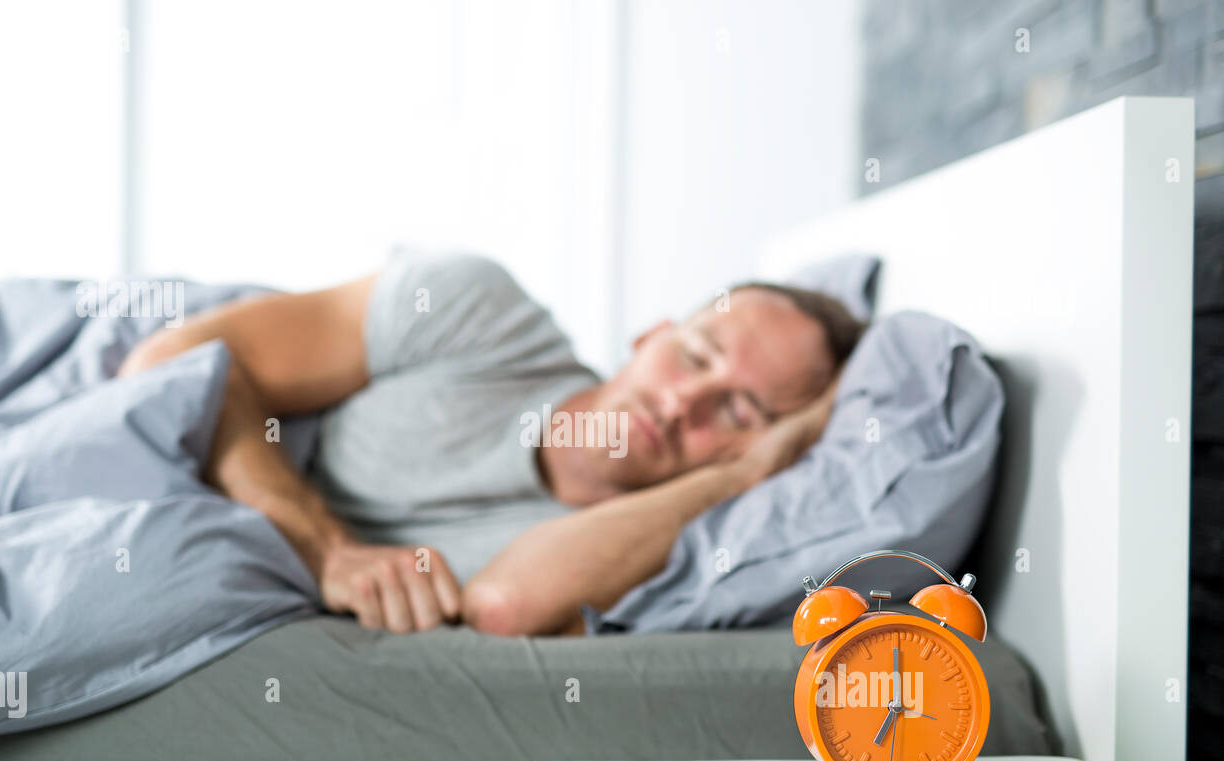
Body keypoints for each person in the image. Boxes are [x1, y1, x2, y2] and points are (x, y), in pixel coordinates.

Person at [118, 249, 865, 635]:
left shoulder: (648, 551)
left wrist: (752, 472)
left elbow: (504, 606)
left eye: (739, 412)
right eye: (695, 357)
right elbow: (170, 364)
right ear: (650, 335)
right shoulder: (476, 308)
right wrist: (326, 550)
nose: (680, 404)